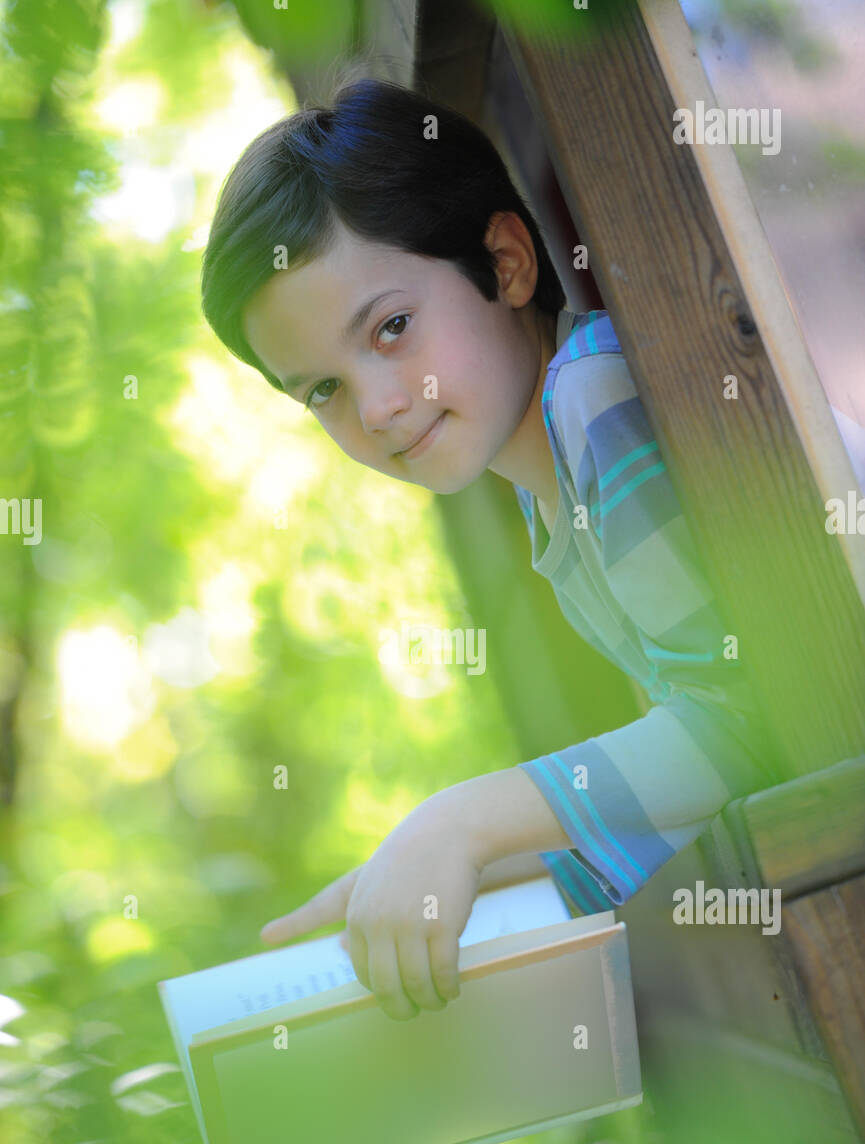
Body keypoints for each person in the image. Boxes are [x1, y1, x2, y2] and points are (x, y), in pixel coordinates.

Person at [200, 78, 778, 1022]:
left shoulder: (596, 401)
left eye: (391, 328)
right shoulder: (549, 487)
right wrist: (427, 873)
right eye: (320, 391)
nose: (377, 407)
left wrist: (460, 824)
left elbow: (758, 717)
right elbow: (713, 757)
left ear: (504, 261)